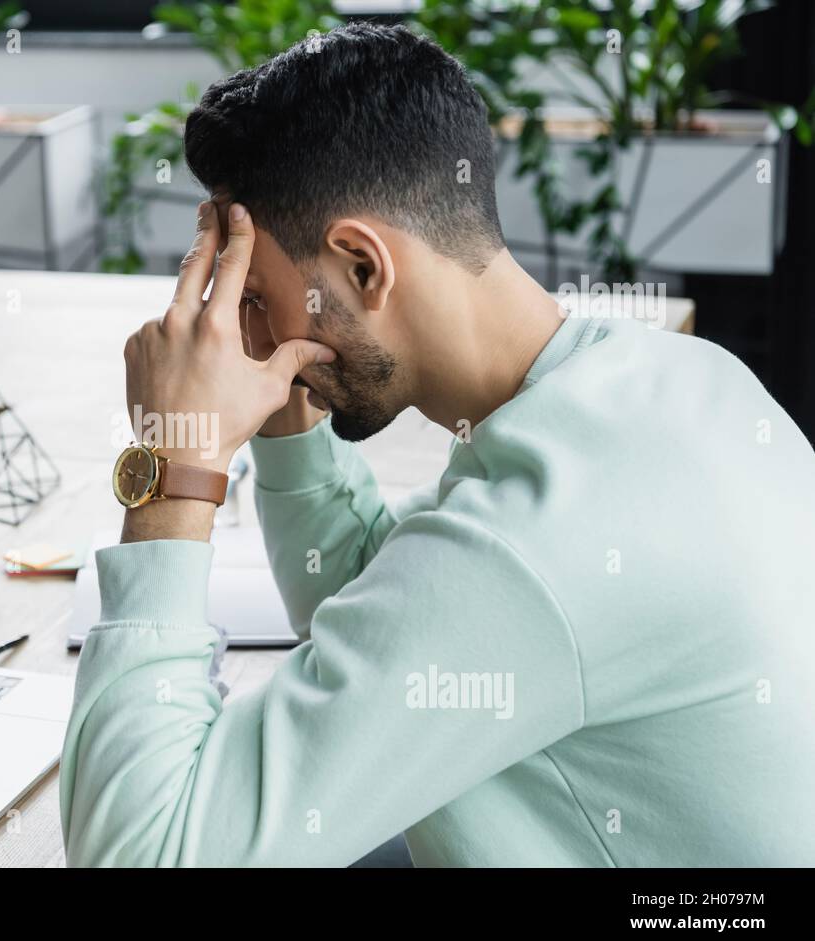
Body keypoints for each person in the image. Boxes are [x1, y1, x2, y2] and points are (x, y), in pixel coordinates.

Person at [59, 22, 815, 866]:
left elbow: (142, 852)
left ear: (363, 265)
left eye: (261, 298)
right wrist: (286, 414)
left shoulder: (530, 546)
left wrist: (172, 470)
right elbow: (393, 619)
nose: (256, 338)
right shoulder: (667, 381)